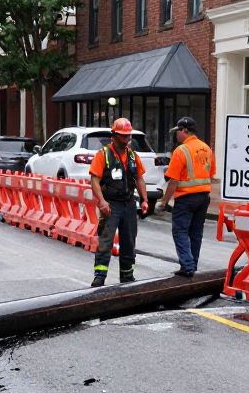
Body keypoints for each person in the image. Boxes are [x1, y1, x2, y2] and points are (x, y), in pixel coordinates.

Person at [88, 117, 149, 286]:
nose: (127, 139)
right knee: (106, 241)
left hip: (129, 203)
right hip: (111, 204)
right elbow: (94, 180)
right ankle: (100, 276)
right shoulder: (103, 155)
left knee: (129, 241)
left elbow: (139, 178)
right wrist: (102, 202)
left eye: (128, 136)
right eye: (123, 136)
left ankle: (127, 276)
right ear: (113, 135)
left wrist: (144, 199)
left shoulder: (132, 156)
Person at [161, 117, 215, 278]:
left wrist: (164, 201)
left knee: (180, 231)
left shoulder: (181, 151)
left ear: (184, 130)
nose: (176, 135)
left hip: (186, 199)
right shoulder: (207, 149)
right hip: (204, 197)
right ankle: (192, 264)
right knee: (196, 232)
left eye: (178, 131)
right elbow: (210, 174)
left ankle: (187, 265)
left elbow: (173, 181)